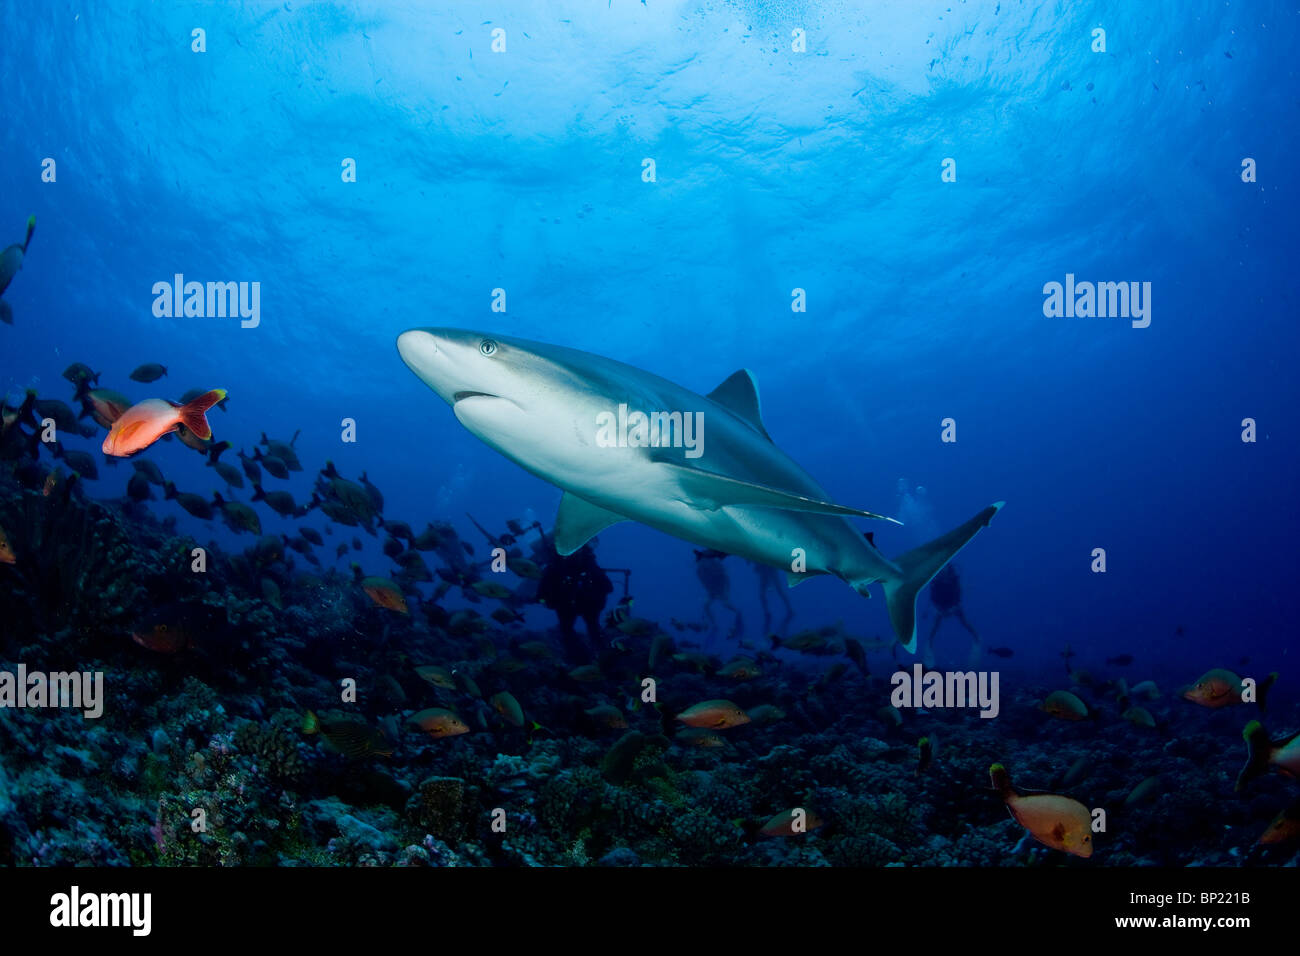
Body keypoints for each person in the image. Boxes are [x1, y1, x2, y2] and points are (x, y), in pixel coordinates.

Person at [535, 535, 613, 659]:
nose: (577, 552)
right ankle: (586, 658)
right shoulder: (561, 565)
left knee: (582, 629)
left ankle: (594, 657)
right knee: (574, 629)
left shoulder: (586, 562)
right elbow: (608, 587)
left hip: (583, 603)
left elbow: (607, 586)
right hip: (568, 603)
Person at [695, 548, 742, 639]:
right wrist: (710, 592)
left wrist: (727, 592)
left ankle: (738, 613)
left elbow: (726, 578)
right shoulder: (699, 570)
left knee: (726, 603)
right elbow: (704, 583)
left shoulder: (716, 564)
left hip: (721, 588)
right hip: (712, 590)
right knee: (706, 606)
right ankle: (714, 625)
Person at [752, 560, 793, 636]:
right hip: (765, 570)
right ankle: (768, 612)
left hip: (769, 569)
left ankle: (768, 613)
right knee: (766, 593)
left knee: (776, 591)